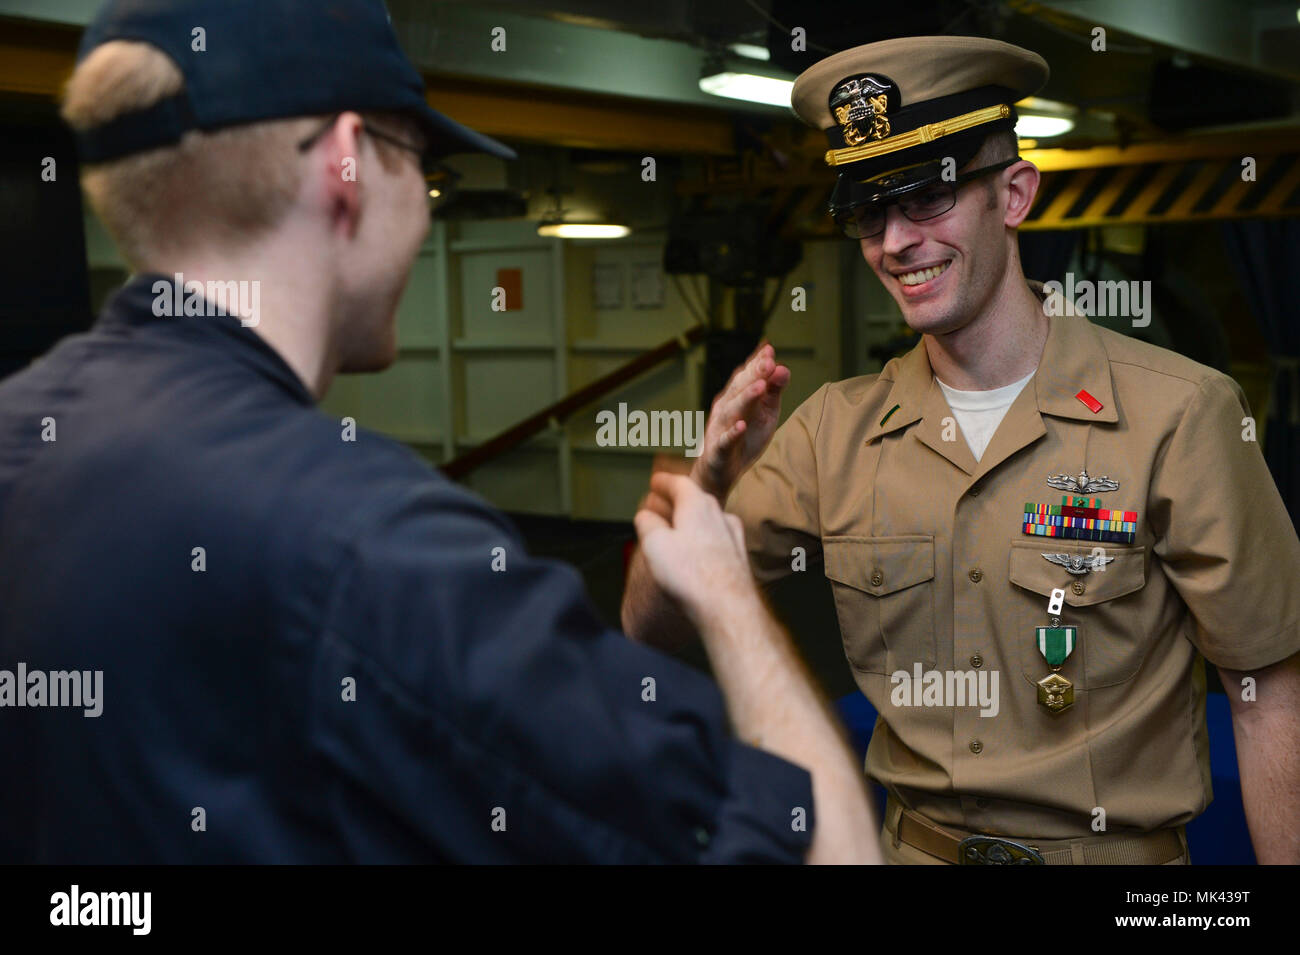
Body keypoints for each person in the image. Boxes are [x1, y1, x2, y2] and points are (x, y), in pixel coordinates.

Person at [0, 0, 881, 864]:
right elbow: (830, 848)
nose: (423, 212)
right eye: (421, 165)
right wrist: (727, 594)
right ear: (347, 164)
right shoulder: (385, 548)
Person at [623, 35, 1300, 865]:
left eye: (927, 199)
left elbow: (1267, 695)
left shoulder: (1179, 416)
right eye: (870, 212)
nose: (897, 241)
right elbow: (646, 627)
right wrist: (706, 477)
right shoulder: (832, 432)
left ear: (1013, 195)